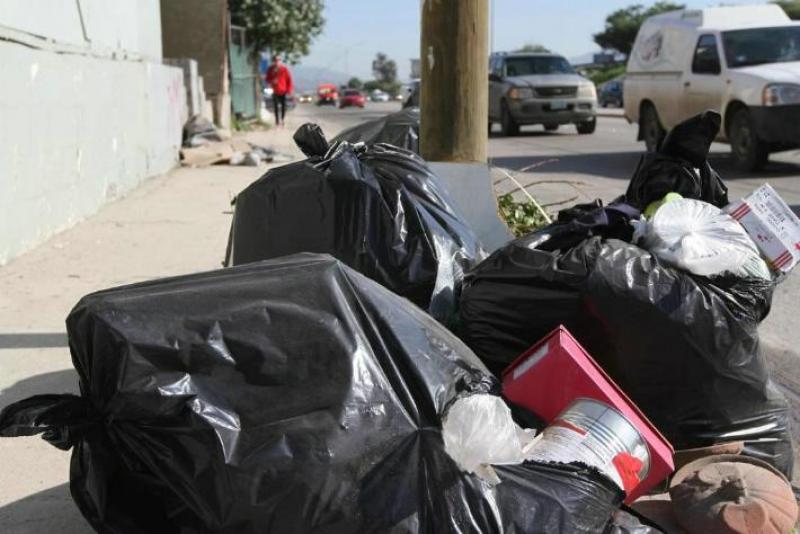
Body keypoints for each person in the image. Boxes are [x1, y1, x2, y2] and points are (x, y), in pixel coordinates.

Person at [265, 55, 293, 127]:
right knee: (276, 106)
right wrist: (272, 81)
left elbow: (289, 80)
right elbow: (267, 79)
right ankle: (277, 121)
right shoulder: (270, 69)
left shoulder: (284, 69)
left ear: (280, 61)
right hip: (275, 91)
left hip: (283, 90)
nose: (277, 61)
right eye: (275, 60)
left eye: (278, 60)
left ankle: (282, 119)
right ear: (273, 61)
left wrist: (289, 90)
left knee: (283, 106)